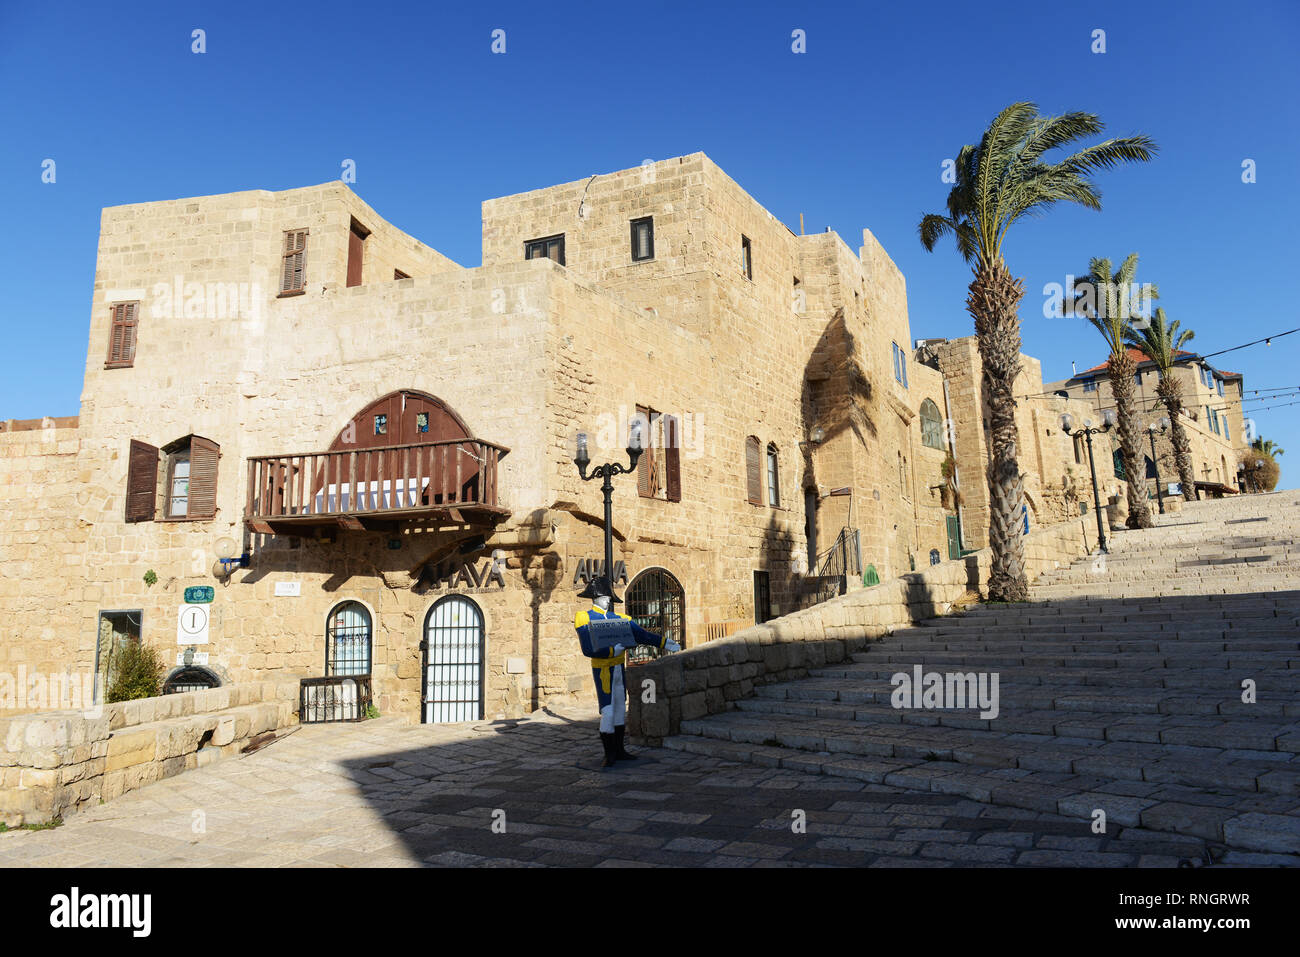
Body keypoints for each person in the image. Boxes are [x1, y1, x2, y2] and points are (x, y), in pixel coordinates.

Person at [573, 575, 680, 768]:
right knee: (607, 711)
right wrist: (614, 650)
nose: (606, 600)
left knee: (620, 709)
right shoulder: (585, 617)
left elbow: (641, 635)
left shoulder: (620, 618)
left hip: (618, 670)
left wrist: (664, 642)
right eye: (603, 596)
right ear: (594, 598)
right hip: (603, 670)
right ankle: (609, 753)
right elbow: (588, 649)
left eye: (607, 596)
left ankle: (620, 750)